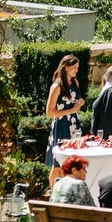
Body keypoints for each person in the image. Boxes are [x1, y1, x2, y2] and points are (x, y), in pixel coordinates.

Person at [44, 53, 85, 181]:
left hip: (73, 124)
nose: (76, 70)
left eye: (77, 67)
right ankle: (53, 194)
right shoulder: (57, 86)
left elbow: (75, 101)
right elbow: (49, 112)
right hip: (61, 125)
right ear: (66, 67)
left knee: (71, 161)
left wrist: (80, 102)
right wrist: (71, 110)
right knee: (58, 163)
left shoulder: (75, 83)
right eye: (74, 67)